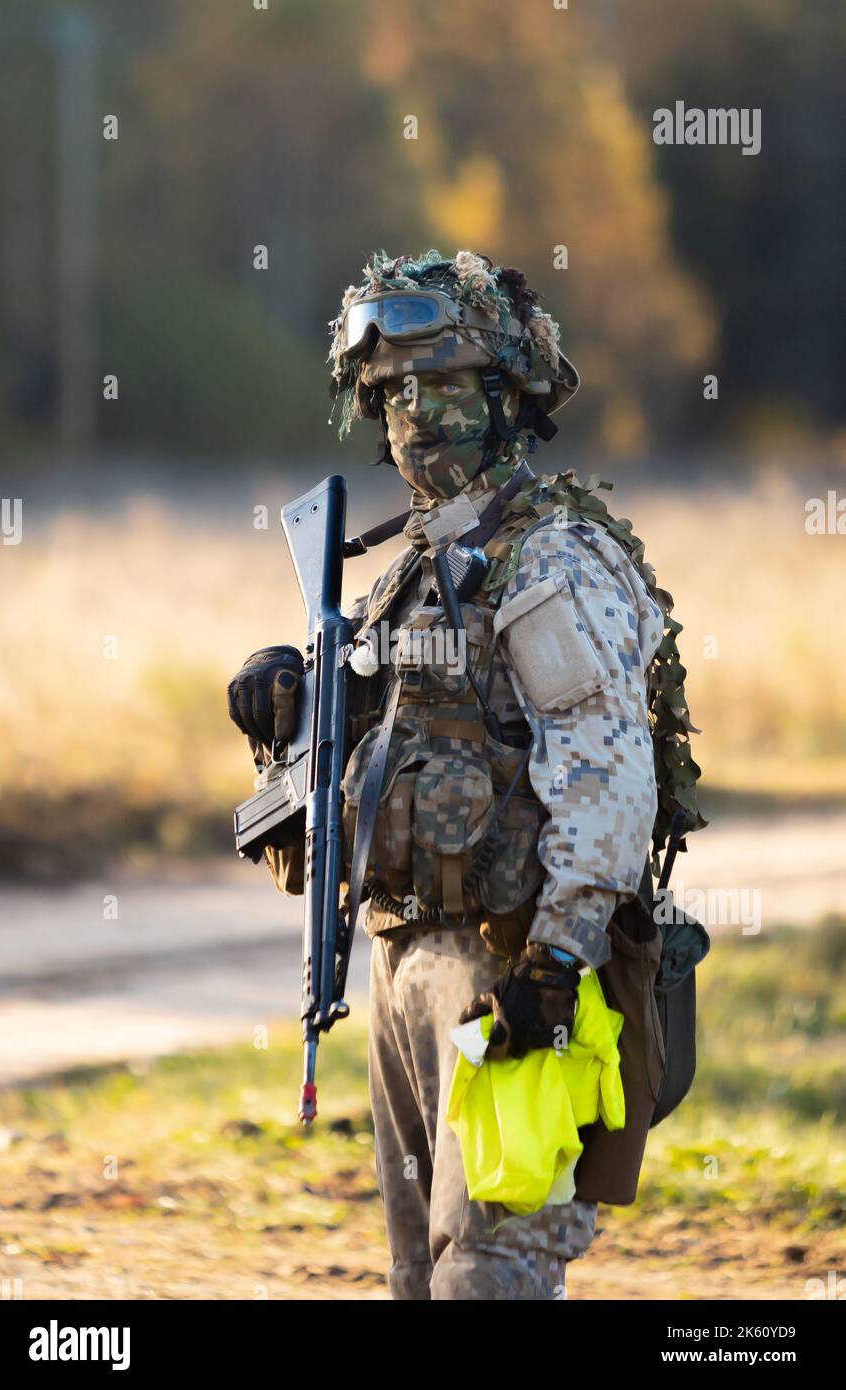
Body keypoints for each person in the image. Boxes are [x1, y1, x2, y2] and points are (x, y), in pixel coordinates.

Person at [228, 249, 702, 1300]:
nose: (415, 414)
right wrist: (283, 716)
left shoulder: (550, 557)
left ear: (505, 398)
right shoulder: (402, 573)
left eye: (441, 385)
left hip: (518, 966)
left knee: (489, 1276)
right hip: (402, 964)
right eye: (394, 391)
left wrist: (562, 957)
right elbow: (346, 795)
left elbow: (607, 773)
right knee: (418, 1279)